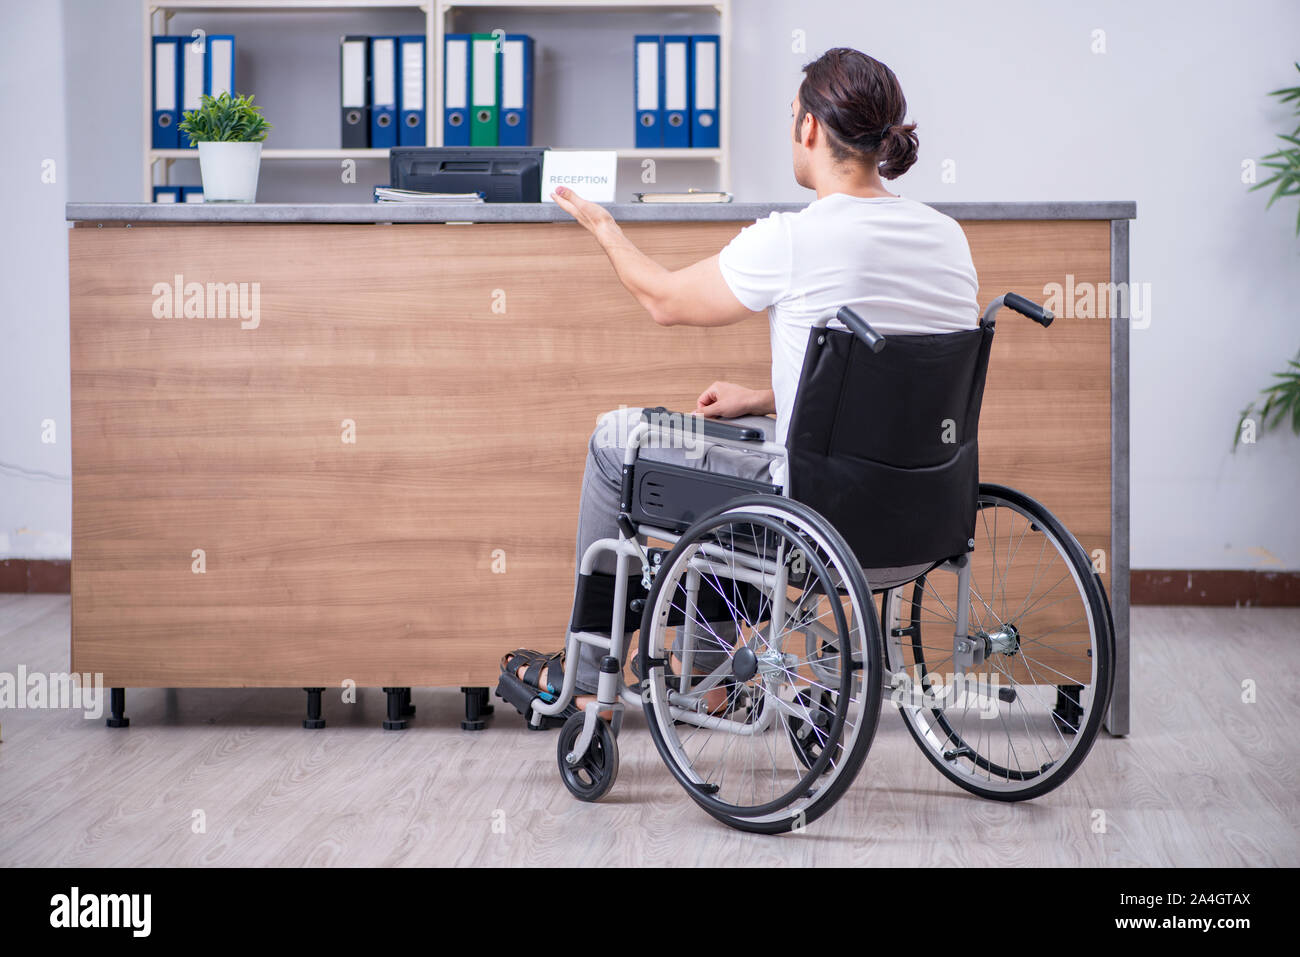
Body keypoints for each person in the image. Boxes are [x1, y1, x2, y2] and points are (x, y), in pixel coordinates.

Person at [502, 47, 979, 717]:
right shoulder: (948, 238)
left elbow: (664, 299)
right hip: (921, 523)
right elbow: (891, 389)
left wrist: (605, 228)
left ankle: (585, 684)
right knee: (743, 439)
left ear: (810, 128)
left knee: (618, 440)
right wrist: (762, 399)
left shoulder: (791, 239)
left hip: (816, 521)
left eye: (792, 117)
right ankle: (712, 676)